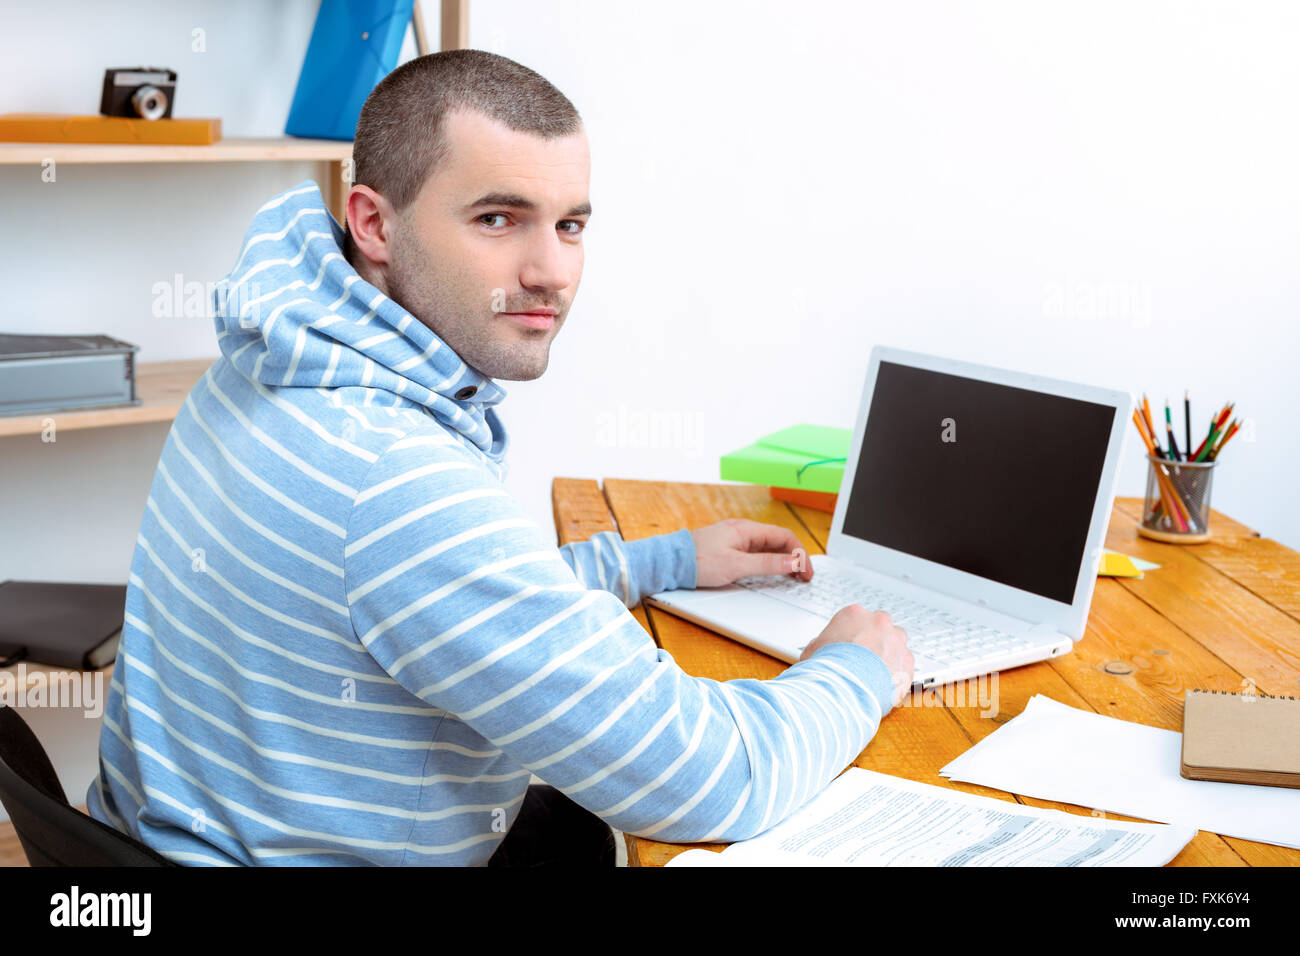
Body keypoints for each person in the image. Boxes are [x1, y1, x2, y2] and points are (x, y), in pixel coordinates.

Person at [87, 49, 913, 866]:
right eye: (497, 219)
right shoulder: (397, 478)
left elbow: (433, 590)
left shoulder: (266, 361)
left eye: (570, 225)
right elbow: (710, 779)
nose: (551, 271)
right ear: (374, 222)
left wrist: (660, 560)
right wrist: (854, 671)